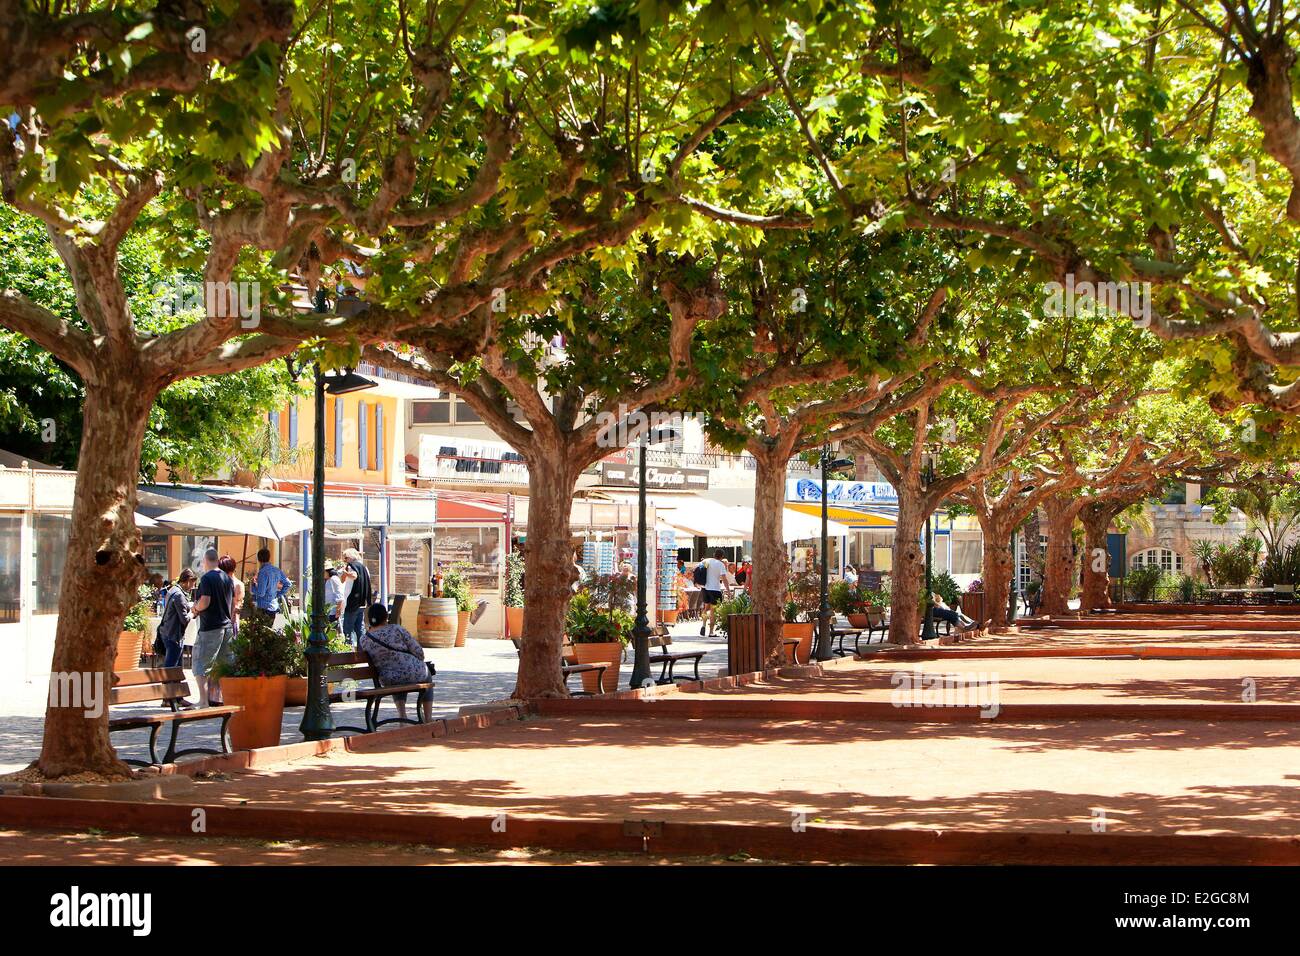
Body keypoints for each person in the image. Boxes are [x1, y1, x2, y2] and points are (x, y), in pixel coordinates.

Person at [360, 602, 433, 723]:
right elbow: (419, 652)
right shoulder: (396, 629)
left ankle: (402, 716)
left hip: (388, 677)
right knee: (427, 674)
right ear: (385, 617)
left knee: (396, 679)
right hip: (413, 672)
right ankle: (428, 718)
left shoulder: (364, 639)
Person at [191, 549, 234, 707]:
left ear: (205, 560)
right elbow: (232, 605)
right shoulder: (227, 578)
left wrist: (195, 609)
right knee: (225, 664)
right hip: (227, 626)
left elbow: (205, 601)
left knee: (200, 664)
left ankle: (203, 701)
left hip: (210, 627)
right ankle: (226, 698)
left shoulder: (207, 578)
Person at [156, 569, 196, 690]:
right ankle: (168, 698)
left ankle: (177, 697)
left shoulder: (173, 590)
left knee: (176, 667)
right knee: (172, 667)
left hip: (168, 632)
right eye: (193, 583)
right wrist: (193, 613)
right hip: (174, 635)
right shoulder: (179, 594)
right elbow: (184, 619)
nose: (193, 587)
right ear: (187, 581)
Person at [699, 548, 733, 638]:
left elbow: (697, 570)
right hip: (715, 590)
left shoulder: (706, 561)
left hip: (705, 588)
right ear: (722, 557)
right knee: (713, 610)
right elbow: (724, 579)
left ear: (714, 554)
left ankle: (703, 625)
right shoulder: (720, 564)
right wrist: (728, 591)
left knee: (706, 608)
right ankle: (711, 632)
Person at [341, 547, 372, 645]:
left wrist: (345, 572)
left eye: (345, 558)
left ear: (350, 557)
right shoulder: (364, 567)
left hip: (352, 602)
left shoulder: (352, 566)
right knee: (360, 628)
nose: (344, 560)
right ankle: (361, 651)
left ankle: (348, 652)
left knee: (348, 629)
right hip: (362, 602)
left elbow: (354, 576)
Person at [251, 547, 291, 622]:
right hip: (274, 606)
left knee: (263, 632)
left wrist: (253, 586)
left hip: (264, 608)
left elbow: (261, 593)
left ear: (258, 559)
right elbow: (288, 584)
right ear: (269, 558)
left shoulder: (262, 572)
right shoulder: (276, 570)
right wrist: (278, 594)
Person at [218, 555, 244, 636]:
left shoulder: (238, 585)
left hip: (231, 624)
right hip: (220, 623)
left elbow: (237, 606)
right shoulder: (220, 582)